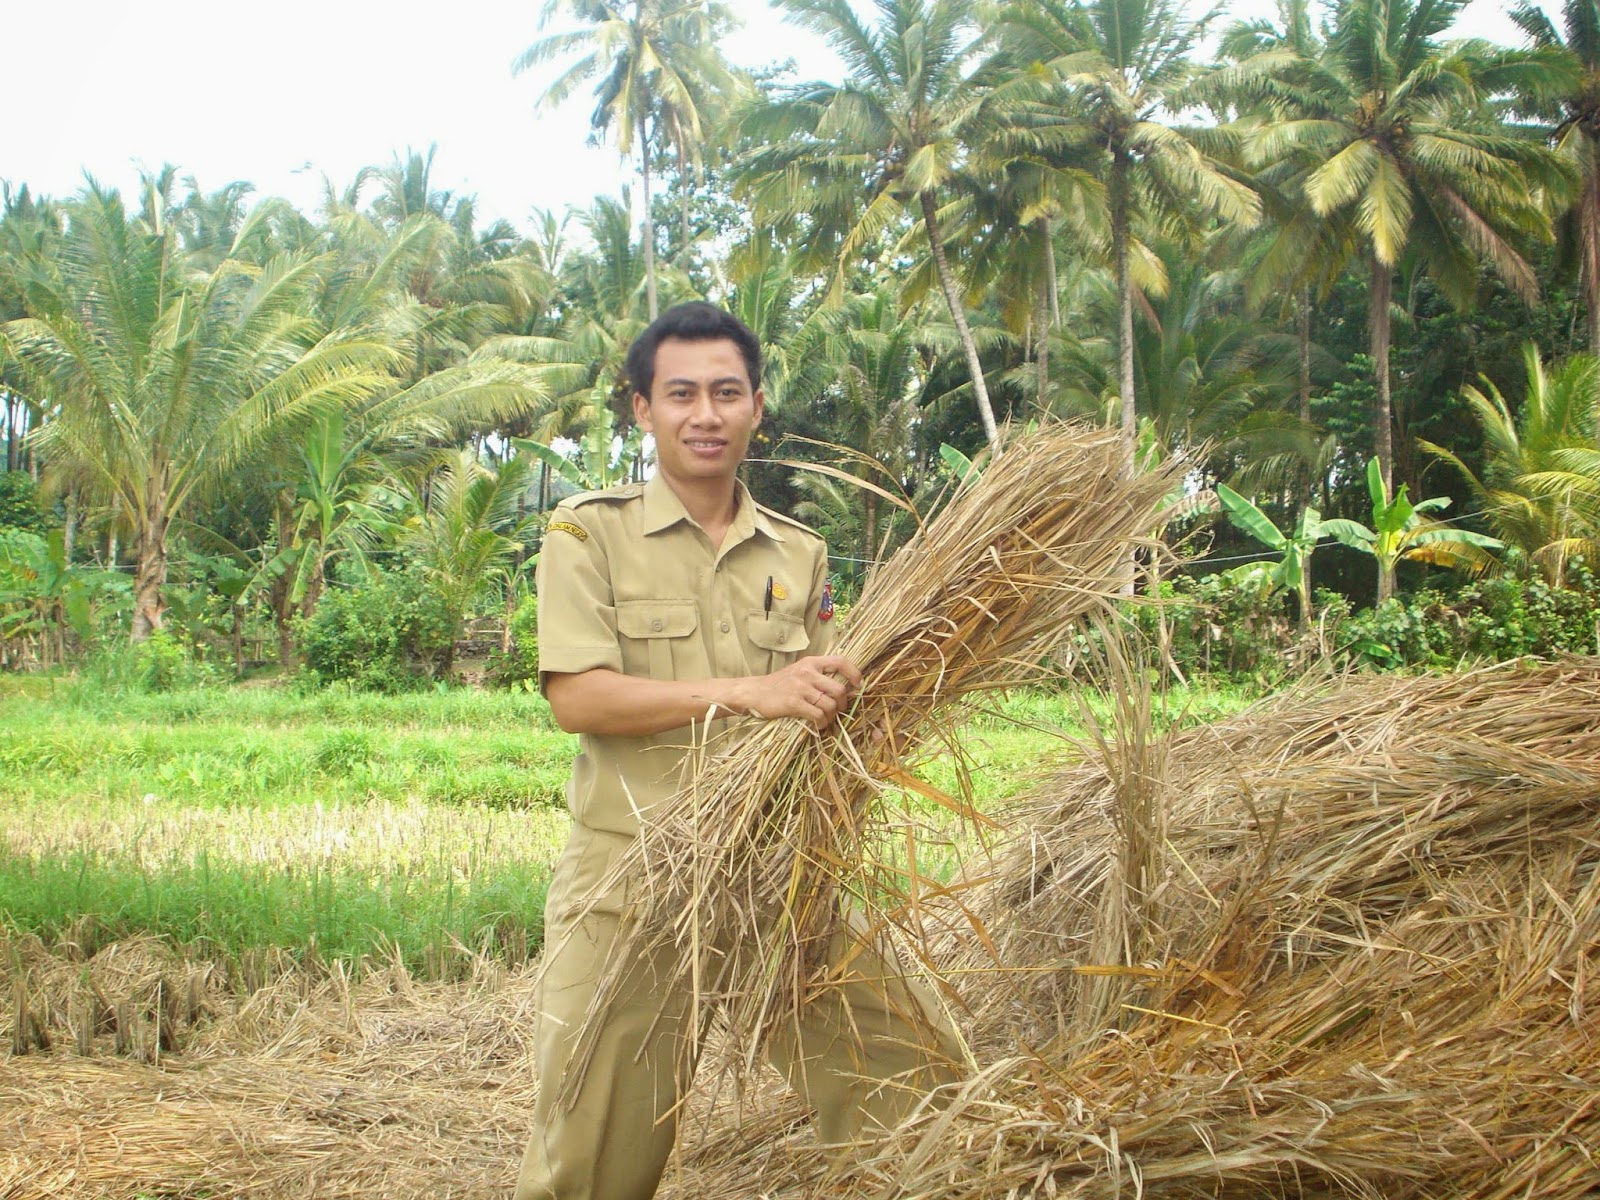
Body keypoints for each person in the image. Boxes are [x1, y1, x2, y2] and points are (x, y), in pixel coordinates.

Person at [515, 303, 962, 1200]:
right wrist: (746, 693)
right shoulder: (585, 532)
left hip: (773, 878)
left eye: (726, 392)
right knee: (591, 1154)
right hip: (632, 884)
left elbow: (818, 705)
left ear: (758, 406)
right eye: (680, 394)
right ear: (642, 409)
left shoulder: (799, 553)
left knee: (914, 1079)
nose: (705, 414)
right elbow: (579, 696)